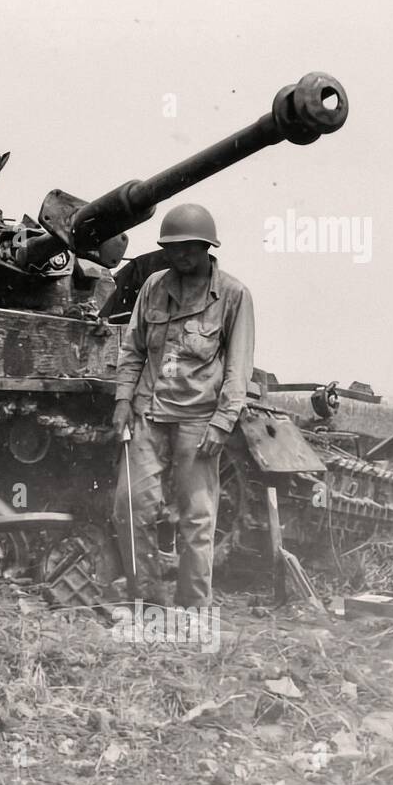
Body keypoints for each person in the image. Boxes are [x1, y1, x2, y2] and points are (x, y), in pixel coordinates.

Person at [111, 203, 255, 607]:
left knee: (197, 519)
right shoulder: (154, 286)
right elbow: (133, 350)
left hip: (198, 419)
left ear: (207, 247)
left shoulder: (232, 295)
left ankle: (193, 606)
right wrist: (123, 400)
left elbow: (238, 367)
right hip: (147, 415)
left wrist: (223, 423)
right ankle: (147, 600)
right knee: (129, 507)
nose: (181, 256)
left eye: (189, 248)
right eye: (172, 249)